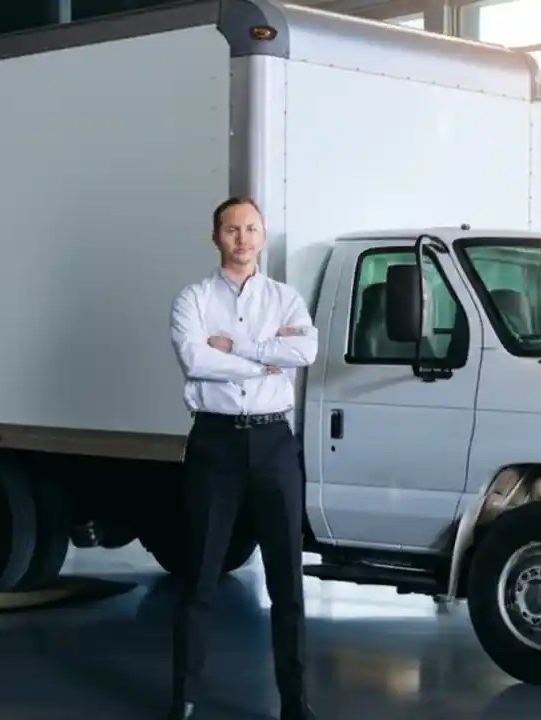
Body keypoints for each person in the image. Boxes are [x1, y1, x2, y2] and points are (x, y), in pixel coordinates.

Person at [166, 197, 319, 720]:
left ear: (263, 234)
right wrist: (263, 361)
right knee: (199, 577)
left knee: (287, 582)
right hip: (215, 445)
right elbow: (195, 358)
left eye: (252, 228)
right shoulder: (192, 298)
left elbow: (304, 353)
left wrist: (236, 347)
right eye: (232, 229)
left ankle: (295, 703)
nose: (243, 238)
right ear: (216, 237)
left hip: (275, 443)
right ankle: (183, 699)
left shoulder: (285, 298)